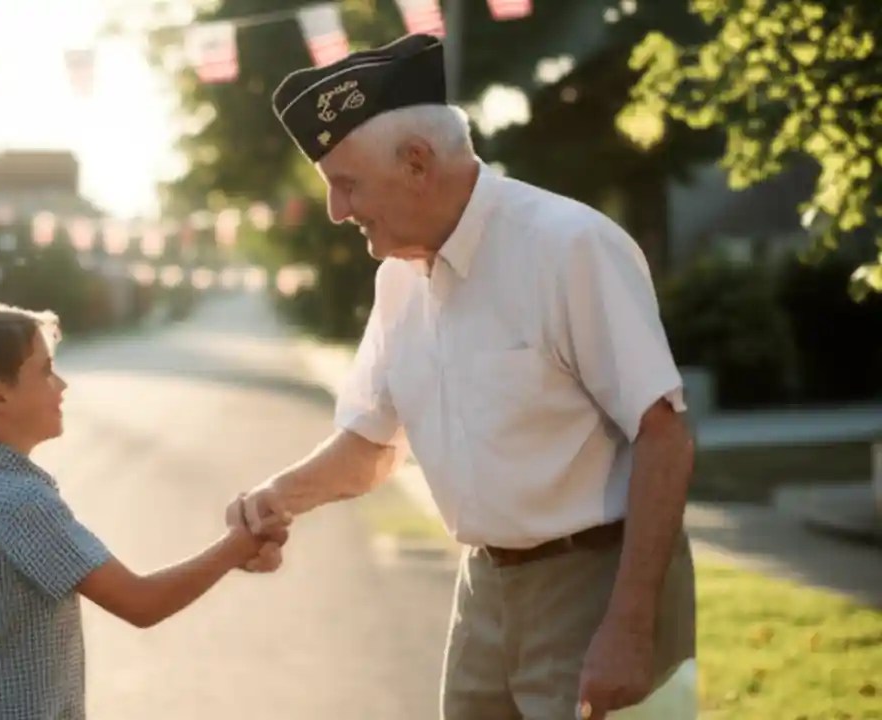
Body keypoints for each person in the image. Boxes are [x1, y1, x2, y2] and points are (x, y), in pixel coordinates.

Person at [228, 34, 696, 720]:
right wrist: (277, 497)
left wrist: (629, 626)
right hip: (483, 592)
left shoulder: (569, 246)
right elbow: (371, 447)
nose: (336, 210)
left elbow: (665, 437)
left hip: (596, 586)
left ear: (418, 162)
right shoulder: (398, 282)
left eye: (346, 183)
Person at [0, 304, 288, 719]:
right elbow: (141, 603)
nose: (62, 384)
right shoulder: (19, 503)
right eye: (46, 371)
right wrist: (240, 544)